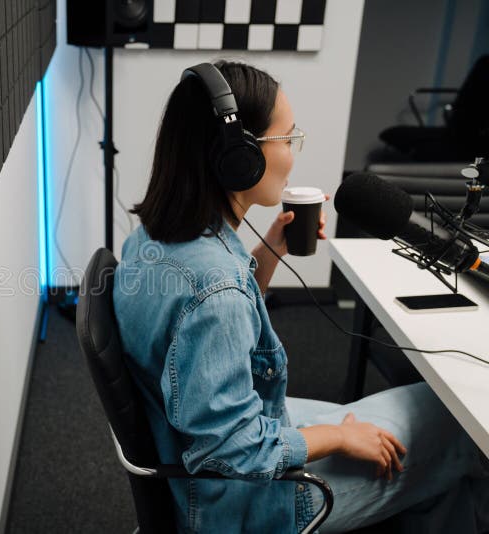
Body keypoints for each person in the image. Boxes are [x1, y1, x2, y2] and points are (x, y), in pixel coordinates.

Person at [112, 59, 489, 533]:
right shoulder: (215, 292)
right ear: (238, 158)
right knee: (459, 424)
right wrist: (336, 437)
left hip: (196, 466)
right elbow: (234, 449)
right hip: (247, 502)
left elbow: (199, 334)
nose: (293, 154)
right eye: (286, 139)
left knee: (440, 464)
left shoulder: (152, 238)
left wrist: (267, 255)